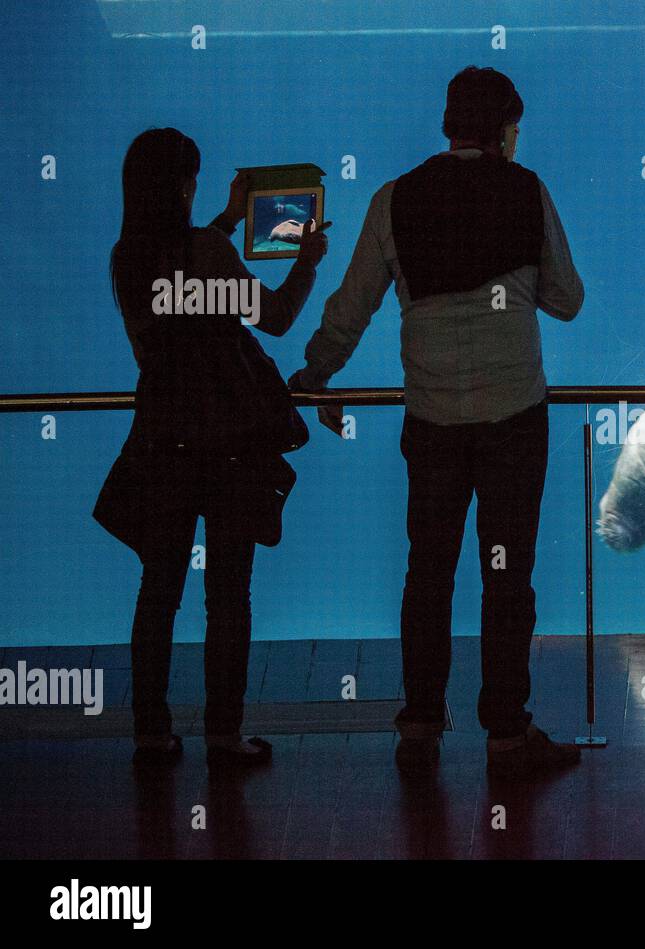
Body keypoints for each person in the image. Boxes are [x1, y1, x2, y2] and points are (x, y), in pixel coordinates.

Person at [287, 66, 585, 779]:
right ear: (503, 130)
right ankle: (507, 733)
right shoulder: (526, 190)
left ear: (450, 124)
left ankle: (419, 722)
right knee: (506, 577)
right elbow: (567, 300)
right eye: (515, 126)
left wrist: (314, 372)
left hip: (432, 423)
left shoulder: (395, 200)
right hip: (514, 421)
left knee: (429, 573)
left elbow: (352, 305)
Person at [97, 128, 329, 769]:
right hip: (229, 449)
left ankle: (150, 734)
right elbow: (275, 316)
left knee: (158, 593)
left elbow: (184, 286)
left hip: (162, 444)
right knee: (228, 597)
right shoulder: (205, 251)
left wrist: (228, 219)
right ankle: (224, 736)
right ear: (181, 186)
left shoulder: (128, 259)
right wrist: (306, 261)